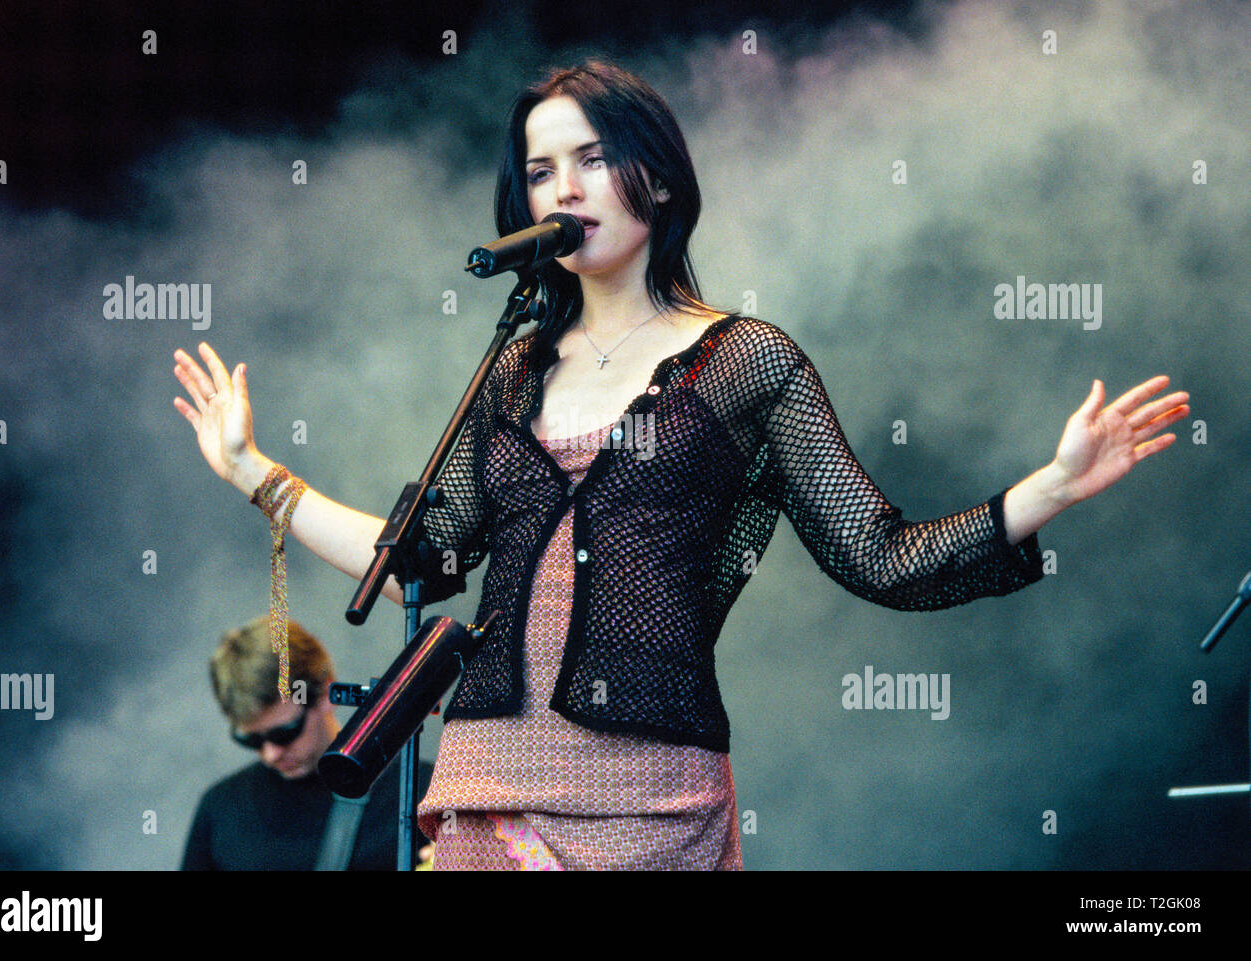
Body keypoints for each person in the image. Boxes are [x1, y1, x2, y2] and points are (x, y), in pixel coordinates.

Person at [171, 59, 1191, 870]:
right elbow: (414, 552)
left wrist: (1048, 486)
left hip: (647, 788)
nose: (560, 188)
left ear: (654, 177)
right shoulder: (513, 367)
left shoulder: (746, 360)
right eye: (537, 171)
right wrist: (256, 472)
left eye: (588, 158)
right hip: (487, 774)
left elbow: (881, 555)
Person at [180, 615, 433, 870]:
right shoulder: (220, 808)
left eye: (284, 733)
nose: (270, 755)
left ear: (325, 693)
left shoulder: (424, 794)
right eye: (251, 740)